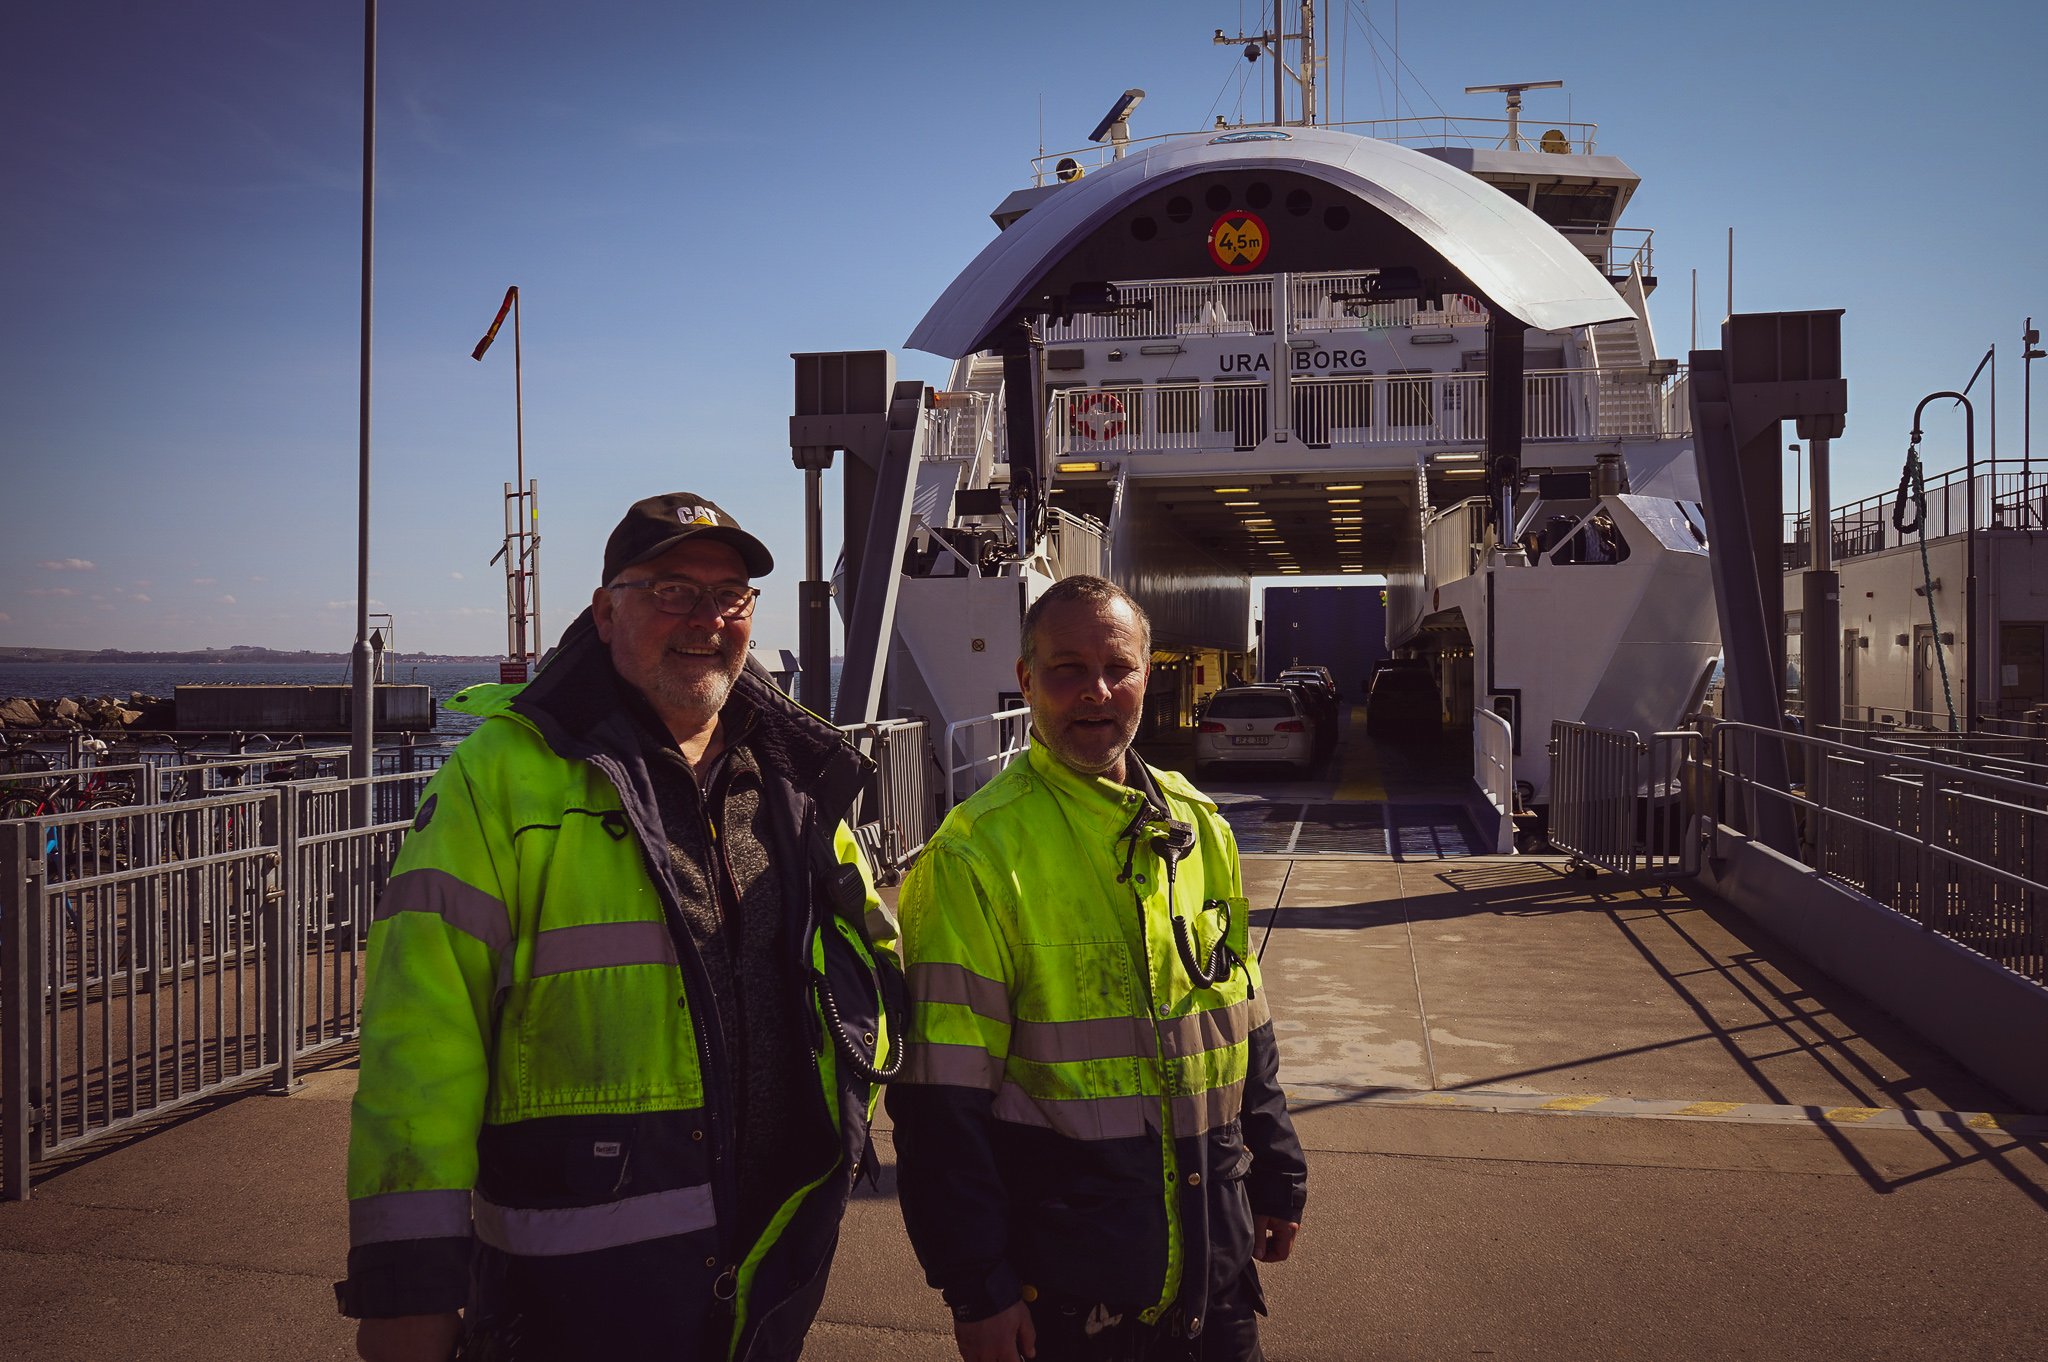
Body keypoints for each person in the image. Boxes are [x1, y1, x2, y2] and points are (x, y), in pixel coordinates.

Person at [336, 492, 900, 1361]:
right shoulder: (502, 778)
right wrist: (409, 1288)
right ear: (605, 612)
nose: (707, 620)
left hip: (771, 1269)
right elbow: (420, 1037)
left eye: (732, 597)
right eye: (672, 590)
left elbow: (870, 958)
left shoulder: (791, 775)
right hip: (573, 1289)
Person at [887, 575, 1307, 1362]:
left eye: (1118, 668)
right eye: (1067, 670)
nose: (1096, 693)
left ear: (1150, 675)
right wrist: (978, 1286)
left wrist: (1277, 1171)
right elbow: (940, 1105)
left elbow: (1242, 1015)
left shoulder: (1199, 829)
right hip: (1071, 1289)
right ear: (1026, 681)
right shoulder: (975, 855)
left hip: (1212, 1276)